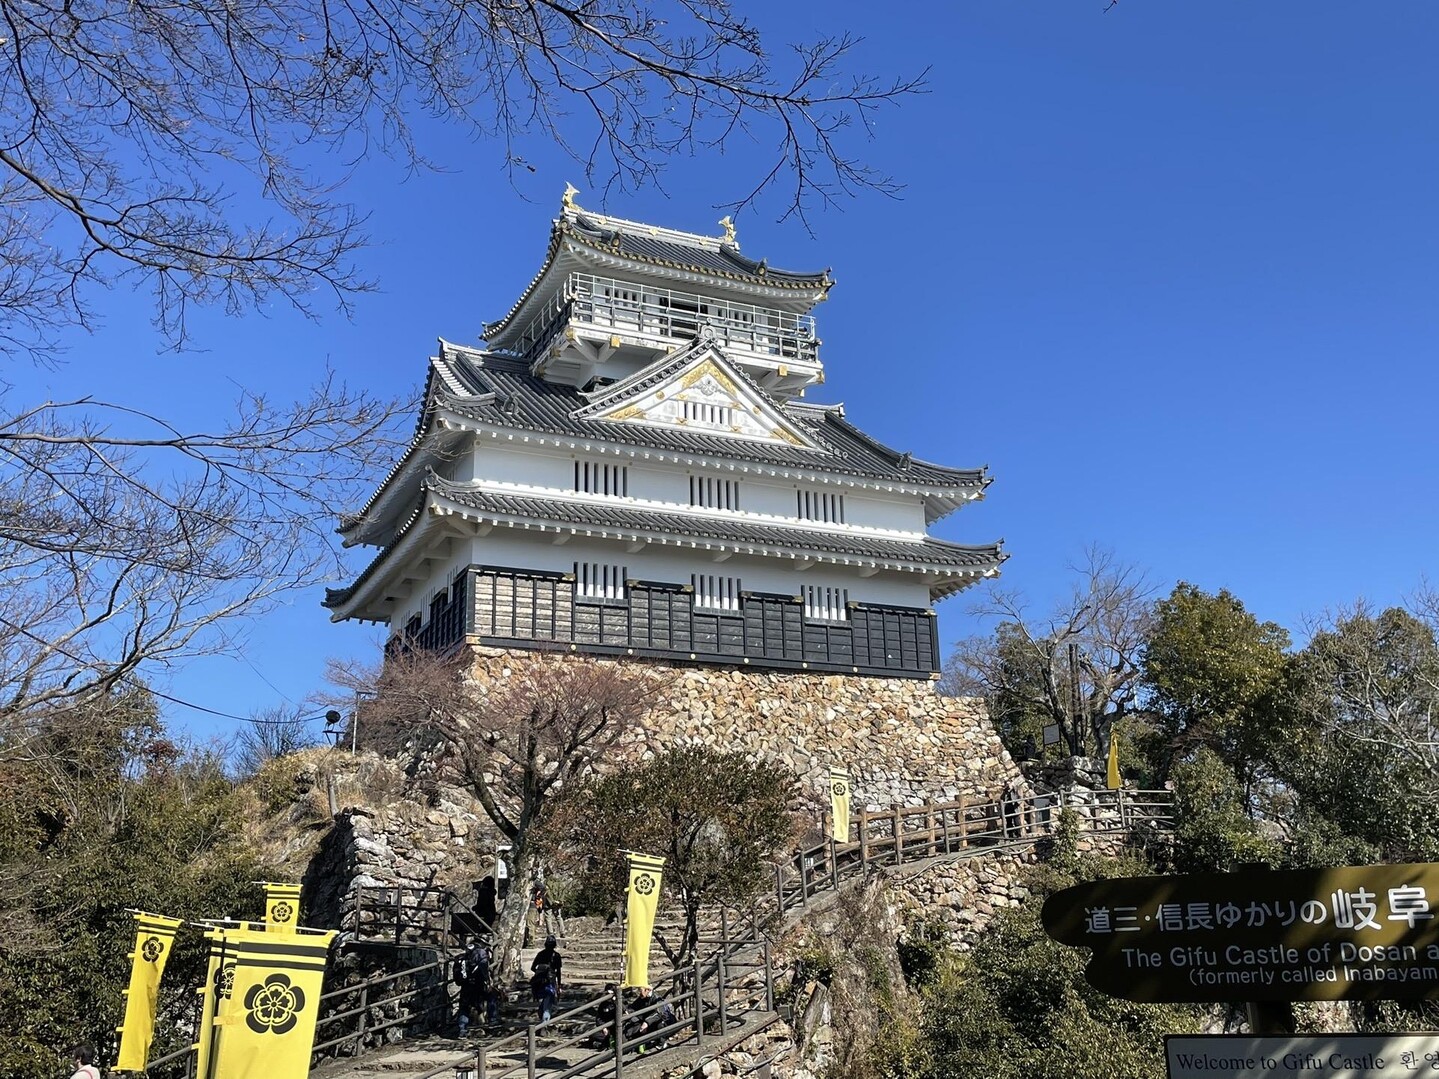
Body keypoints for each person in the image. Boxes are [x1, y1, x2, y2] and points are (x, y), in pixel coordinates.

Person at [530, 934, 563, 1023]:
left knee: (543, 1001)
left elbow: (532, 967)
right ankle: (544, 1022)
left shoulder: (540, 954)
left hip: (539, 982)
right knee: (548, 1002)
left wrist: (539, 972)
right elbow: (558, 972)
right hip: (550, 982)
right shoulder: (557, 956)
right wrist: (559, 984)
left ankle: (543, 1018)